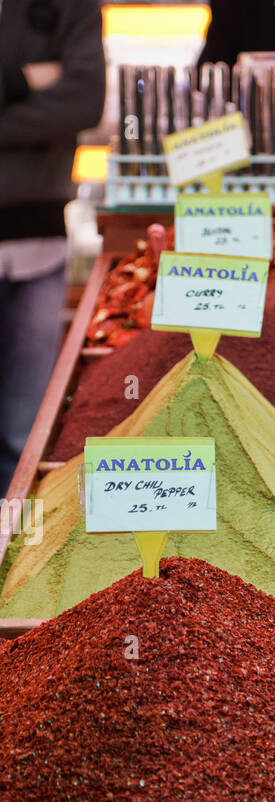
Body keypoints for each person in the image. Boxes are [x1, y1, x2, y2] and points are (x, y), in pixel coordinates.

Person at [0, 0, 105, 495]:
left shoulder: (71, 5)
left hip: (40, 235)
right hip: (39, 220)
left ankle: (15, 555)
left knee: (27, 433)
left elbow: (84, 100)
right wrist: (26, 79)